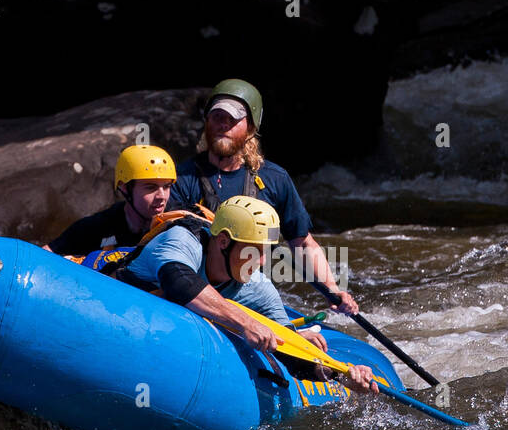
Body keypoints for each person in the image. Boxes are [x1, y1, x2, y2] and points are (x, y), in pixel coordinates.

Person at [112, 194, 378, 394]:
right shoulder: (183, 240)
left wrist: (341, 374)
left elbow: (289, 352)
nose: (261, 261)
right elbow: (178, 283)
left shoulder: (258, 288)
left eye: (265, 251)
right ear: (224, 242)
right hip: (117, 307)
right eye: (254, 251)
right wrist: (246, 322)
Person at [169, 79, 359, 315]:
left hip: (249, 291)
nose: (223, 126)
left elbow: (302, 243)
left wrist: (332, 288)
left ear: (250, 129)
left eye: (233, 120)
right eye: (217, 117)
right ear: (207, 121)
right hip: (195, 288)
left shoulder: (274, 179)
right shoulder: (180, 178)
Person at [43, 144, 176, 257]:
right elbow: (45, 254)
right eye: (151, 187)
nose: (162, 196)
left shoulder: (176, 223)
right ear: (124, 188)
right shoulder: (97, 227)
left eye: (166, 186)